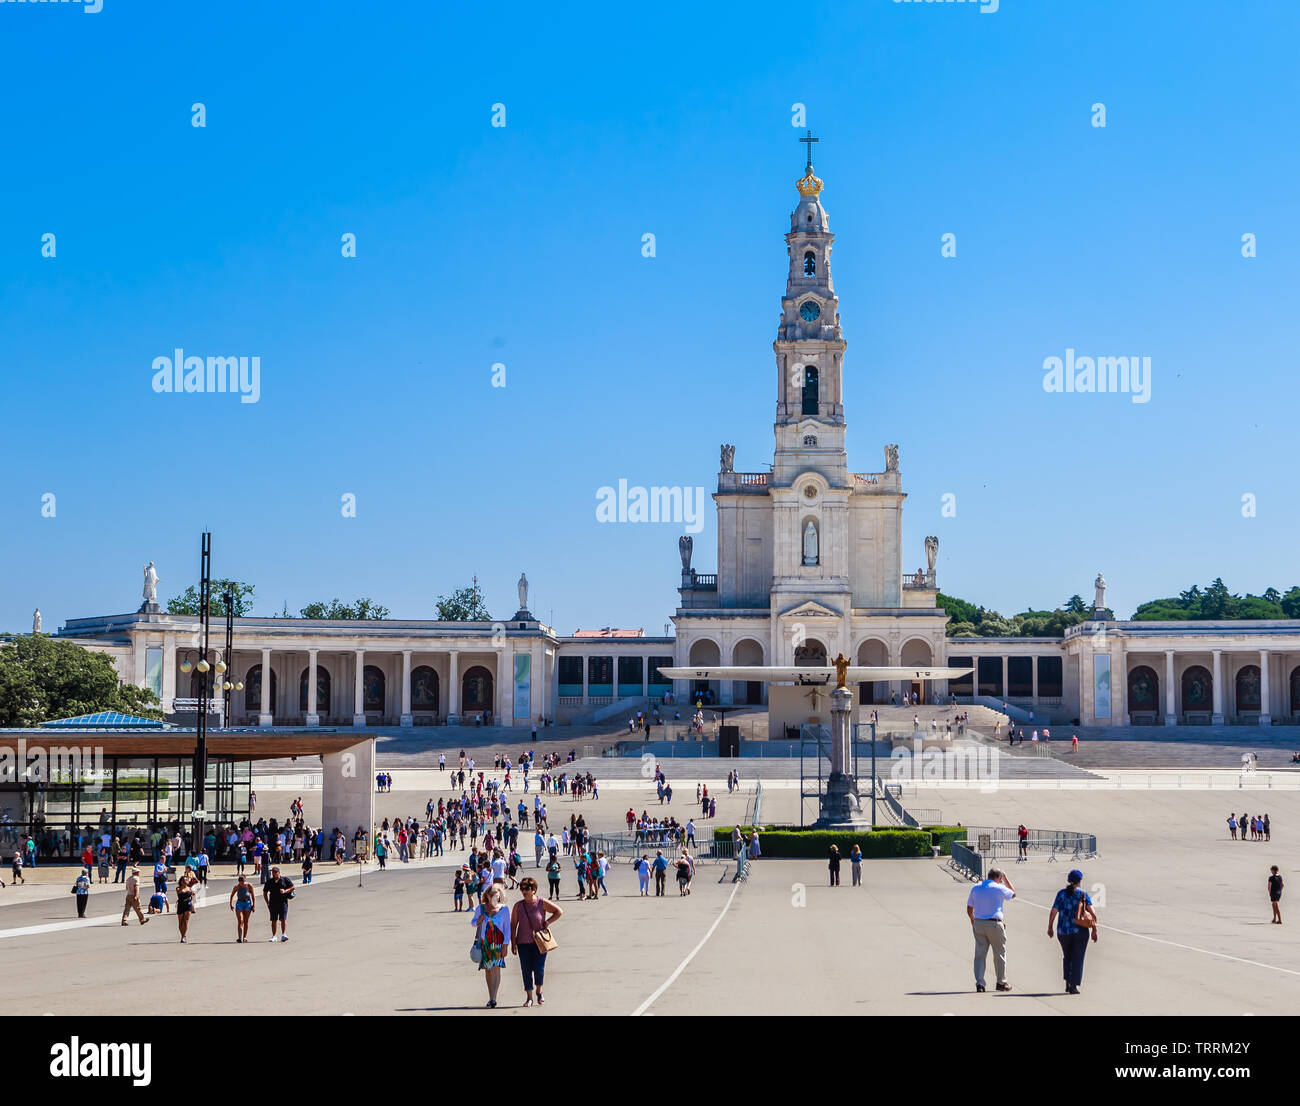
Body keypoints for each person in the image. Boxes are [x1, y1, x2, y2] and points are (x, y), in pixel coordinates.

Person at [511, 876, 563, 1007]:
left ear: (534, 889)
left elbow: (559, 911)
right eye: (522, 889)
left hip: (539, 942)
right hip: (522, 943)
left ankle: (539, 992)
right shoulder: (518, 906)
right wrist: (513, 944)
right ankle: (529, 997)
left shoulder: (541, 903)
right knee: (526, 970)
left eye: (527, 888)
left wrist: (547, 922)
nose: (524, 891)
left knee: (539, 969)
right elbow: (513, 925)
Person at [1048, 868, 1098, 994]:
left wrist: (1050, 927)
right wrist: (1094, 930)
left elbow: (1054, 911)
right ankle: (1073, 985)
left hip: (1063, 931)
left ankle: (1067, 982)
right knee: (1078, 957)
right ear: (1079, 881)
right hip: (1079, 931)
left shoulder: (1061, 894)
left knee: (1067, 956)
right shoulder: (1083, 895)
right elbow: (1092, 913)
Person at [967, 868, 1016, 992]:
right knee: (999, 953)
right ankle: (1001, 982)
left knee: (979, 954)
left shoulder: (976, 888)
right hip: (994, 924)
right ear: (998, 878)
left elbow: (969, 907)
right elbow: (1013, 893)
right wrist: (1006, 878)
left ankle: (980, 983)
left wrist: (973, 920)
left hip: (979, 923)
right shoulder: (999, 888)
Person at [471, 883, 511, 1008]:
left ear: (500, 895)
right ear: (487, 895)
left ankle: (493, 998)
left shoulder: (504, 909)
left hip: (498, 943)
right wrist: (478, 921)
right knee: (488, 970)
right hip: (485, 943)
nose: (494, 896)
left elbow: (507, 929)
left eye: (496, 894)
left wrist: (506, 945)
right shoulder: (481, 908)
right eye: (492, 894)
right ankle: (490, 996)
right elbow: (473, 923)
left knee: (496, 969)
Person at [263, 865, 294, 942]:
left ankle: (284, 934)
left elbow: (293, 887)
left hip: (283, 902)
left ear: (279, 872)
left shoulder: (284, 880)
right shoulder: (269, 881)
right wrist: (267, 902)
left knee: (283, 919)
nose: (274, 874)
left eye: (275, 872)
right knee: (274, 920)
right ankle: (274, 936)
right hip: (273, 903)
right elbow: (265, 892)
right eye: (273, 872)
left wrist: (285, 891)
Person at [229, 873, 256, 941]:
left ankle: (244, 937)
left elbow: (253, 896)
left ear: (245, 880)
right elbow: (232, 895)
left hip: (247, 903)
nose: (242, 883)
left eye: (243, 881)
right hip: (239, 903)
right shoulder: (236, 887)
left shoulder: (249, 886)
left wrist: (254, 905)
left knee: (246, 921)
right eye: (240, 882)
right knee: (240, 920)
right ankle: (239, 937)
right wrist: (231, 904)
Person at [175, 869, 199, 943]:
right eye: (184, 879)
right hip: (181, 905)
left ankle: (183, 936)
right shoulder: (178, 888)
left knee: (185, 921)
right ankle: (182, 935)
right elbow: (179, 892)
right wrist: (186, 885)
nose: (186, 880)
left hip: (188, 905)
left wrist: (192, 894)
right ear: (181, 881)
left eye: (186, 879)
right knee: (180, 923)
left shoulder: (189, 888)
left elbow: (192, 894)